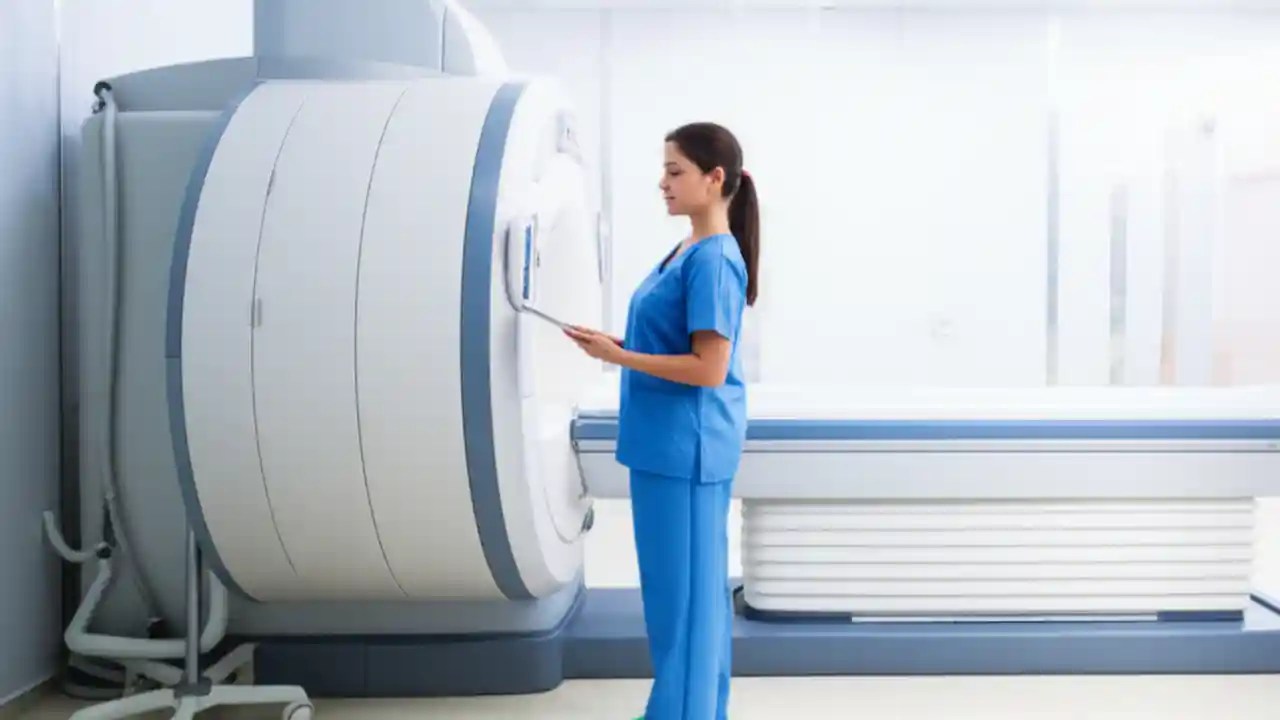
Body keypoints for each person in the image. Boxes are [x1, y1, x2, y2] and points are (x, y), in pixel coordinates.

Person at [564, 121, 759, 720]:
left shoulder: (715, 260)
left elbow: (708, 369)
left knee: (688, 613)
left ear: (714, 178)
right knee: (678, 608)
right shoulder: (685, 251)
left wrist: (618, 357)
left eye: (675, 171)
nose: (663, 182)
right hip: (663, 450)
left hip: (688, 455)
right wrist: (617, 342)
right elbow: (673, 341)